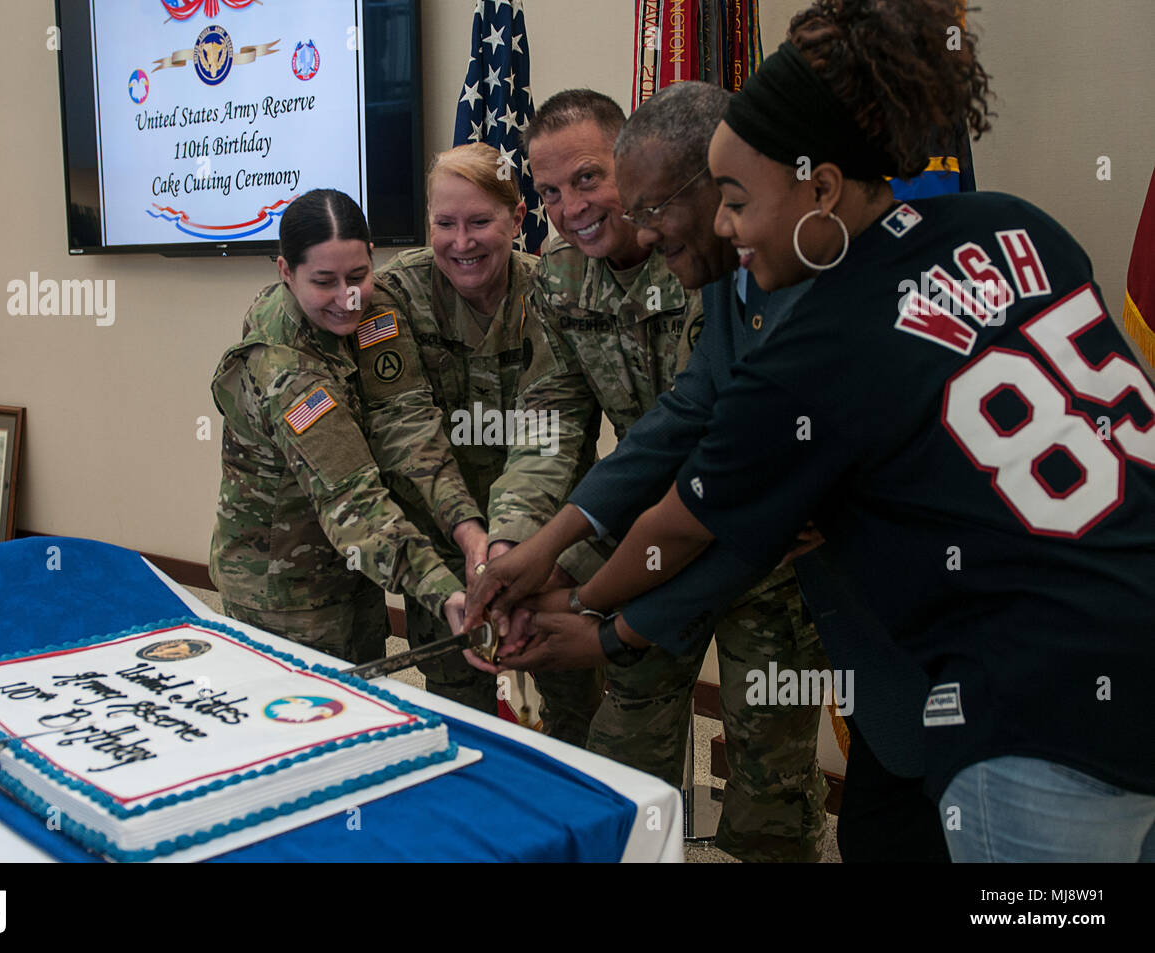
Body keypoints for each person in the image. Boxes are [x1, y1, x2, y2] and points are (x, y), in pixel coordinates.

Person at [474, 0, 1155, 862]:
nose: (724, 227)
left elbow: (688, 522)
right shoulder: (1015, 224)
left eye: (735, 201)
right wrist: (556, 555)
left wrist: (592, 617)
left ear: (820, 188)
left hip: (1037, 711)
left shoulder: (822, 337)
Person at [469, 82, 829, 862]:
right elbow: (551, 428)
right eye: (550, 191)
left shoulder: (728, 260)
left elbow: (721, 464)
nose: (572, 209)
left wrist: (592, 601)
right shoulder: (559, 278)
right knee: (623, 762)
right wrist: (514, 544)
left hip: (762, 546)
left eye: (589, 179)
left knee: (770, 787)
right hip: (653, 537)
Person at [354, 142, 604, 731]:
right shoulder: (394, 298)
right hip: (447, 547)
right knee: (458, 714)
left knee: (577, 707)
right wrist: (472, 542)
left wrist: (510, 549)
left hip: (553, 547)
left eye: (479, 222)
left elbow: (552, 432)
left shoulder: (554, 295)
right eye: (445, 223)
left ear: (518, 219)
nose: (461, 242)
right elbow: (405, 427)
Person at [210, 189, 467, 664]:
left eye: (358, 276)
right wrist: (445, 591)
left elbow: (404, 420)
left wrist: (464, 525)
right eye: (324, 281)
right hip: (285, 596)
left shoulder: (372, 308)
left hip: (353, 569)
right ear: (286, 272)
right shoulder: (286, 370)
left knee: (364, 699)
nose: (347, 298)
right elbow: (353, 501)